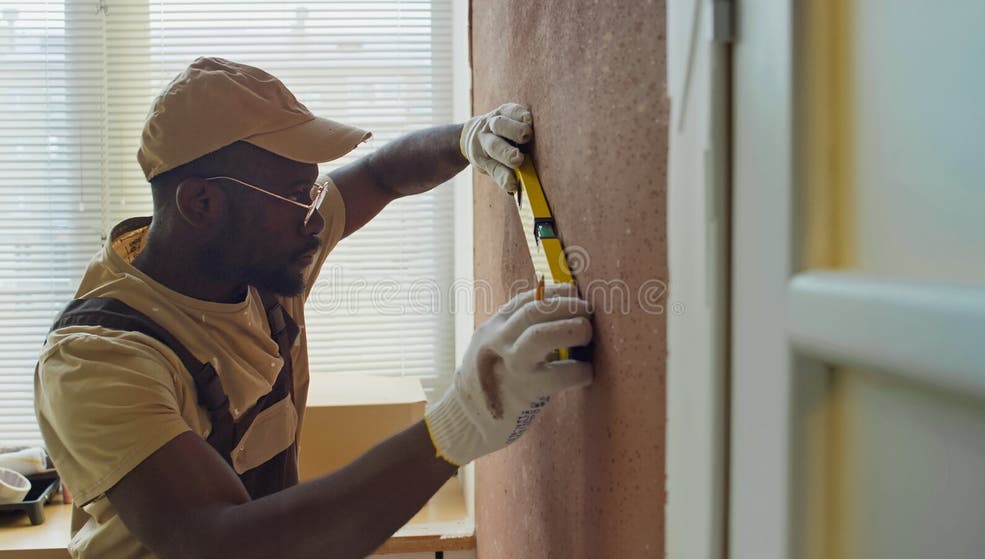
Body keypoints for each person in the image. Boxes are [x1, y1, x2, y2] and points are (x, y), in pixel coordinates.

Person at [34, 57, 593, 559]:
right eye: (298, 196)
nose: (315, 215)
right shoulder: (98, 359)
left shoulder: (258, 261)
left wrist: (467, 140)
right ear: (202, 202)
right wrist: (459, 423)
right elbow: (216, 542)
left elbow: (380, 175)